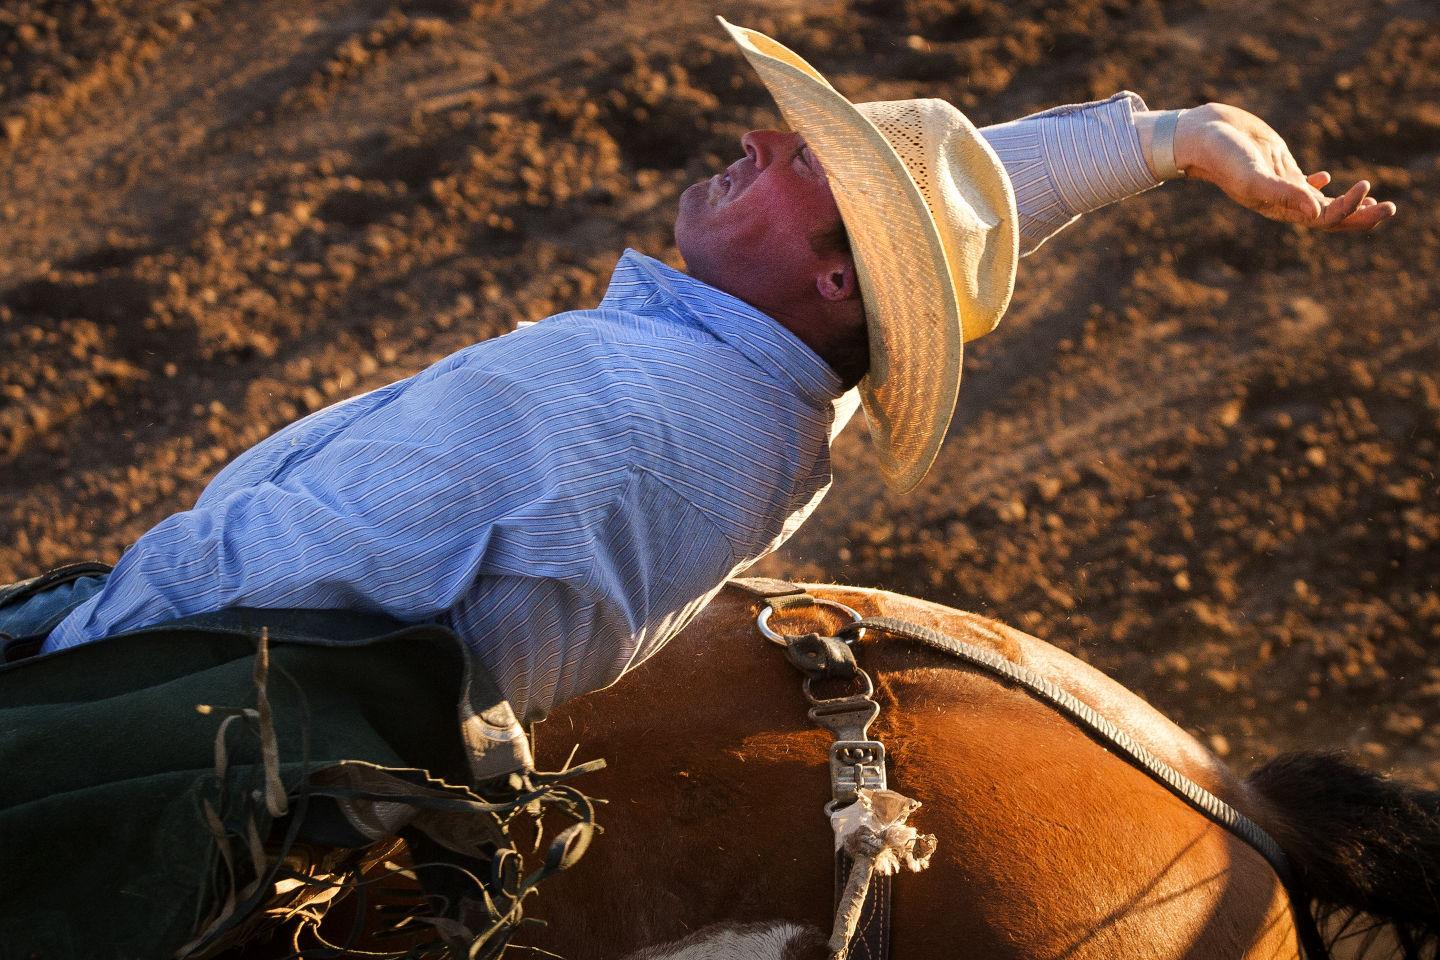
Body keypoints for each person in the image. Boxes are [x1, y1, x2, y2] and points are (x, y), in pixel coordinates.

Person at [10, 20, 1394, 727]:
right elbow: (931, 220)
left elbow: (263, 590)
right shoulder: (768, 377)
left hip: (173, 704)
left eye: (803, 160)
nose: (756, 140)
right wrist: (1163, 138)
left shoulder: (610, 410)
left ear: (839, 277)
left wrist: (58, 657)